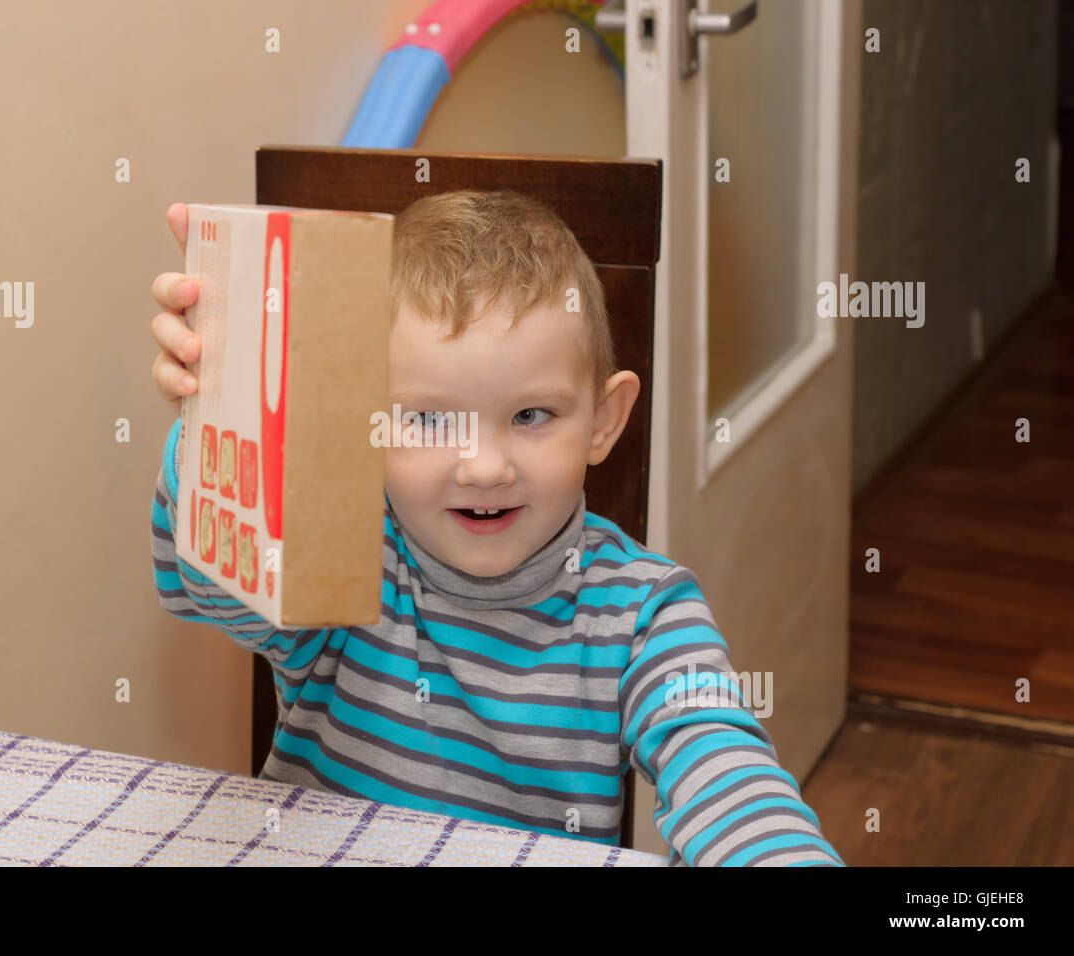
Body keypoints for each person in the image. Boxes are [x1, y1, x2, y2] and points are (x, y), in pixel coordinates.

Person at [149, 191, 844, 866]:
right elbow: (210, 591)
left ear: (603, 420)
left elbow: (730, 782)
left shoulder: (644, 615)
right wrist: (216, 407)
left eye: (531, 416)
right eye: (428, 420)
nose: (484, 468)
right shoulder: (340, 548)